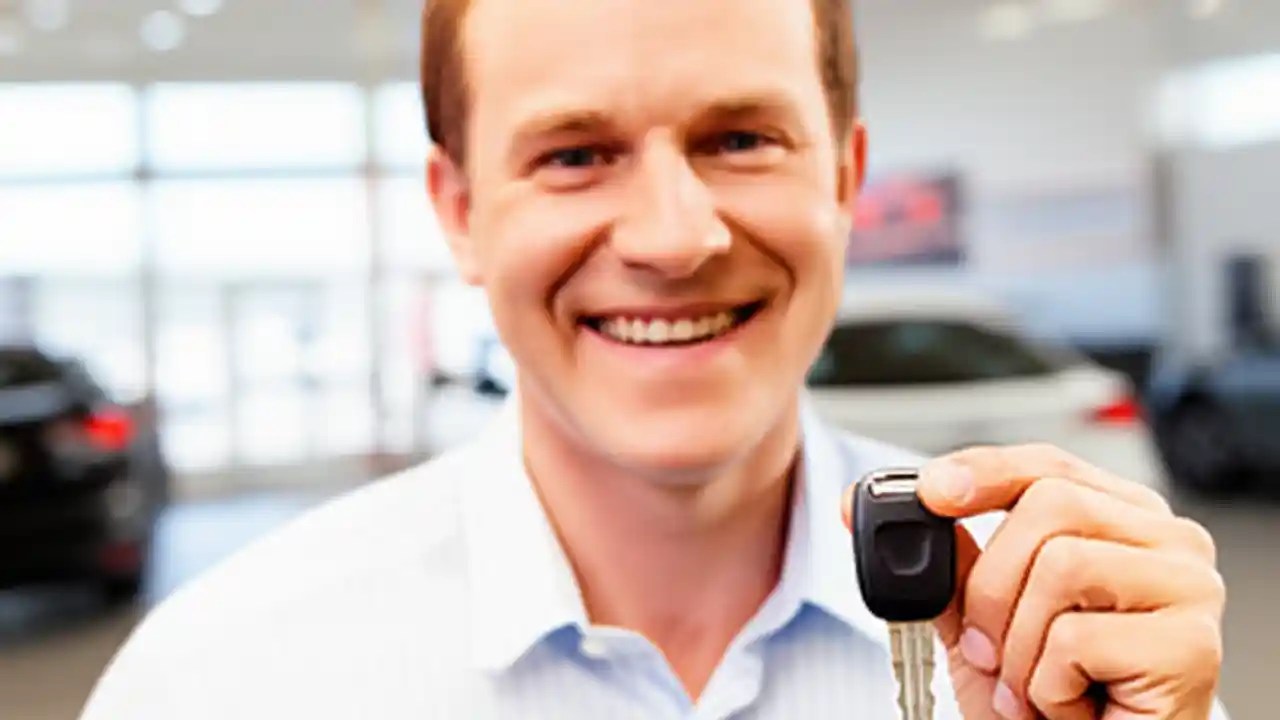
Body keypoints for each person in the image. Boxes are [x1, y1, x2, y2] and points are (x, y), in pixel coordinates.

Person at [81, 0, 1228, 717]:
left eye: (739, 139)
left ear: (841, 177)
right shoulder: (215, 679)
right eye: (576, 154)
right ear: (460, 212)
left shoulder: (1066, 660)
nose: (675, 237)